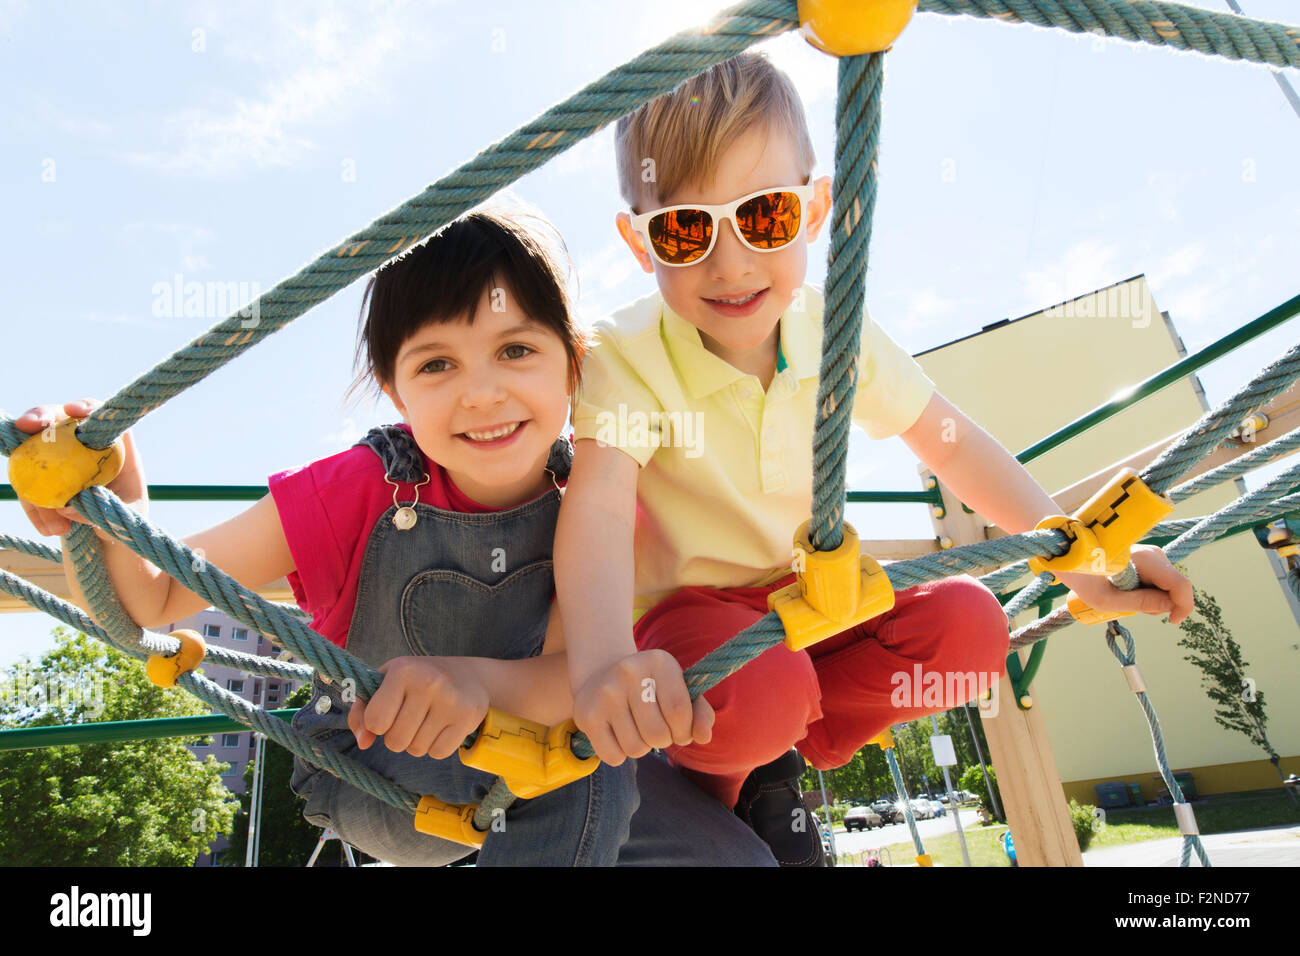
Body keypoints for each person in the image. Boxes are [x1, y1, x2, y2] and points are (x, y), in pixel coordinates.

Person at [554, 52, 1195, 866]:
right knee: (758, 695)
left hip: (816, 601)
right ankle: (721, 787)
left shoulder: (835, 329)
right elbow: (600, 507)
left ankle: (785, 751)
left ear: (815, 208)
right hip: (701, 624)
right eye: (685, 229)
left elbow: (949, 442)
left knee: (973, 631)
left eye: (765, 218)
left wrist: (1085, 561)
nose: (731, 263)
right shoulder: (625, 352)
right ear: (640, 244)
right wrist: (607, 661)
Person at [14, 207, 776, 866]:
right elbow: (151, 598)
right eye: (437, 363)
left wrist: (472, 683)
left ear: (573, 367)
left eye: (517, 349)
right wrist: (111, 512)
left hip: (529, 761)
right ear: (394, 389)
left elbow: (572, 679)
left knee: (730, 856)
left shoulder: (596, 504)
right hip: (376, 765)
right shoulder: (357, 488)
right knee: (583, 774)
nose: (482, 392)